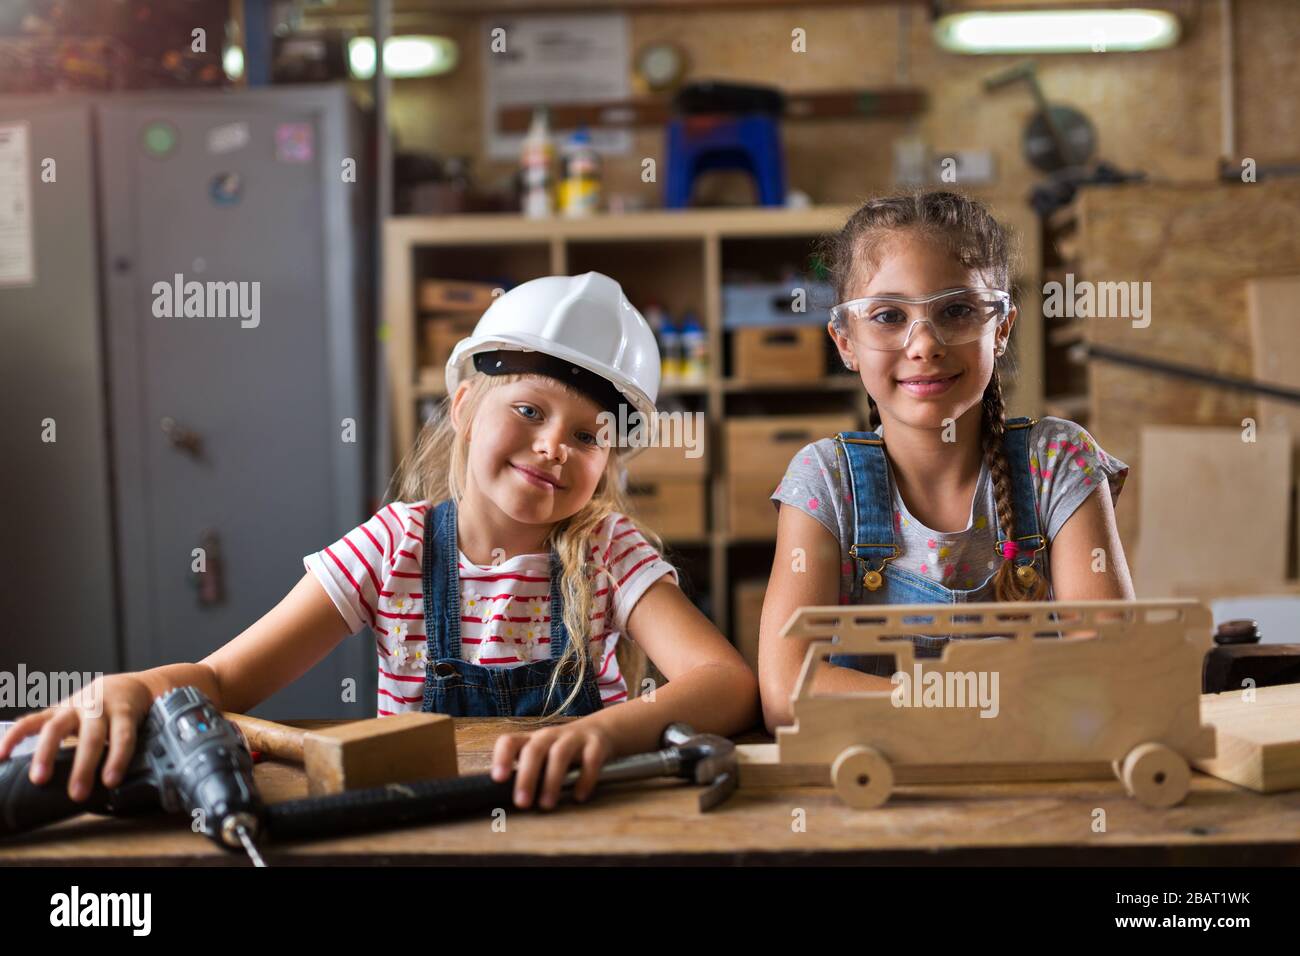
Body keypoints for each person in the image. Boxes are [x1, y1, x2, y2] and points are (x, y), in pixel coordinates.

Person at [3, 272, 758, 811]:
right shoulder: (394, 549)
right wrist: (138, 690)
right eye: (529, 410)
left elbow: (724, 683)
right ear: (464, 406)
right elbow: (224, 683)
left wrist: (606, 735)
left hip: (579, 819)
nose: (555, 445)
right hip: (418, 824)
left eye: (590, 436)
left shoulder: (606, 551)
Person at [759, 192, 1132, 733]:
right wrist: (975, 705)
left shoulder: (1058, 462)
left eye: (956, 310)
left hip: (1034, 789)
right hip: (875, 796)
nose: (924, 344)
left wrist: (909, 701)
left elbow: (1113, 669)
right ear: (846, 342)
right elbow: (786, 693)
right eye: (888, 316)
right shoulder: (824, 481)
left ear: (1001, 328)